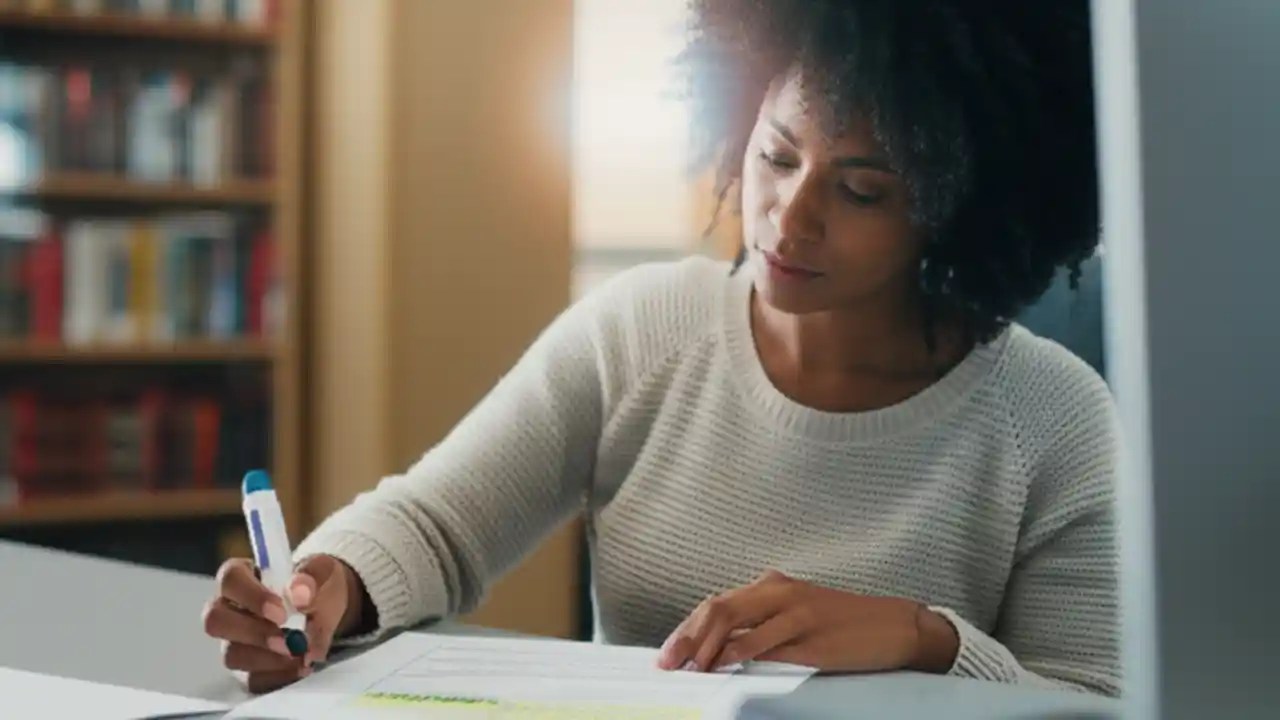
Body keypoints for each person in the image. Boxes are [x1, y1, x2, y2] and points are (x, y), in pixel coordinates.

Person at [202, 0, 1119, 697]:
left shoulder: (1054, 422)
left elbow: (1102, 705)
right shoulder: (645, 330)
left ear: (962, 206)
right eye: (776, 155)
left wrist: (929, 641)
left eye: (864, 191)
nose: (791, 218)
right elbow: (435, 526)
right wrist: (330, 588)